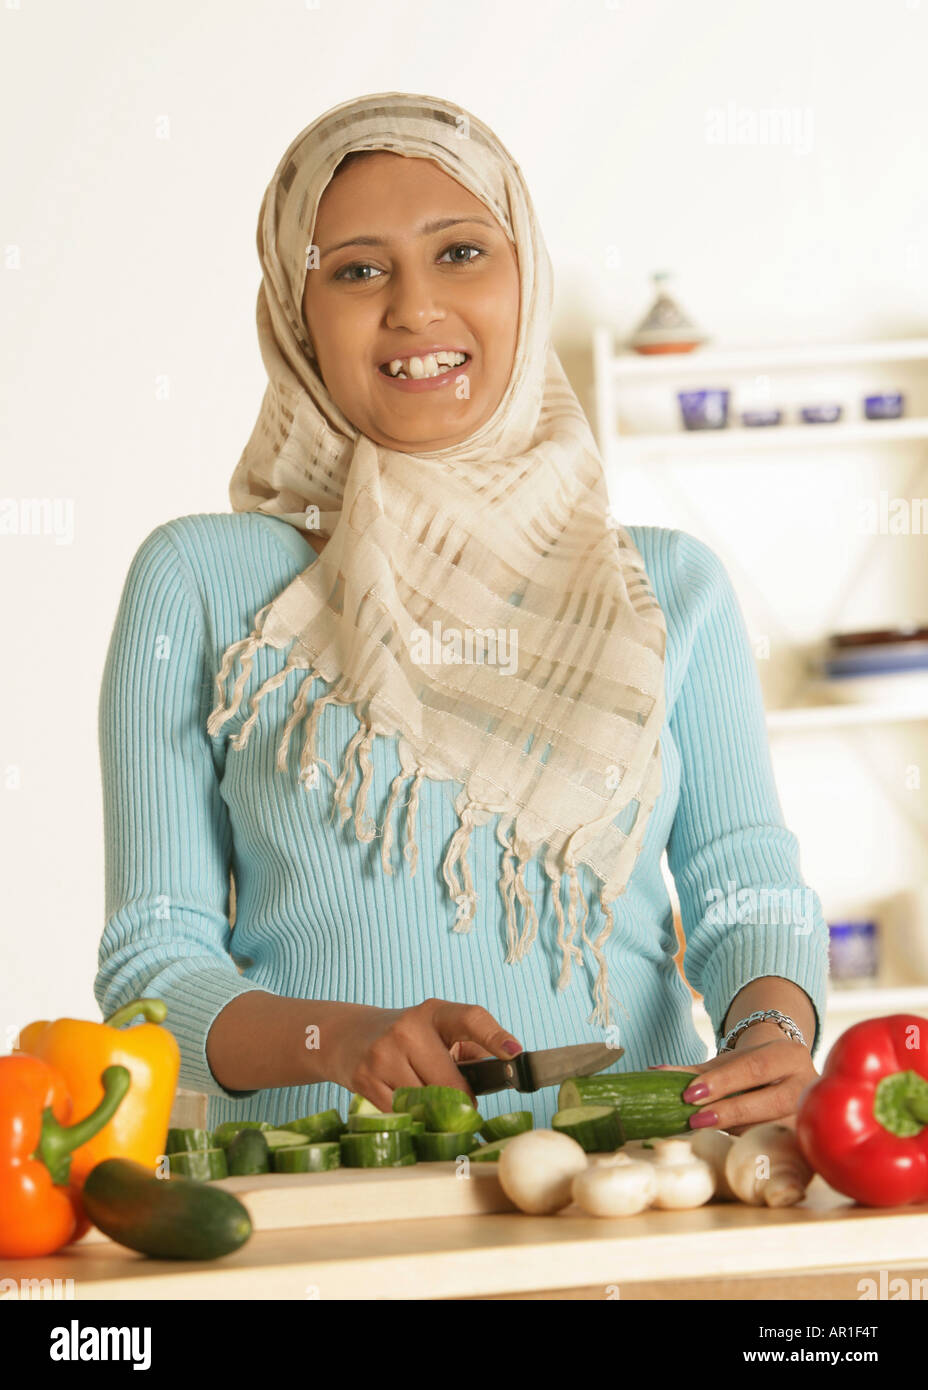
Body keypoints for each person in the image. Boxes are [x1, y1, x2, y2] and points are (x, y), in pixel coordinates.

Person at [95, 92, 828, 1135]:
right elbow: (151, 967)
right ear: (293, 311)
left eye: (461, 253)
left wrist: (772, 1035)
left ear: (525, 278)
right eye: (355, 268)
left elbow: (745, 889)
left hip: (629, 1189)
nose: (414, 308)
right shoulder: (201, 582)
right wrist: (337, 1040)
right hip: (334, 1211)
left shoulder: (669, 590)